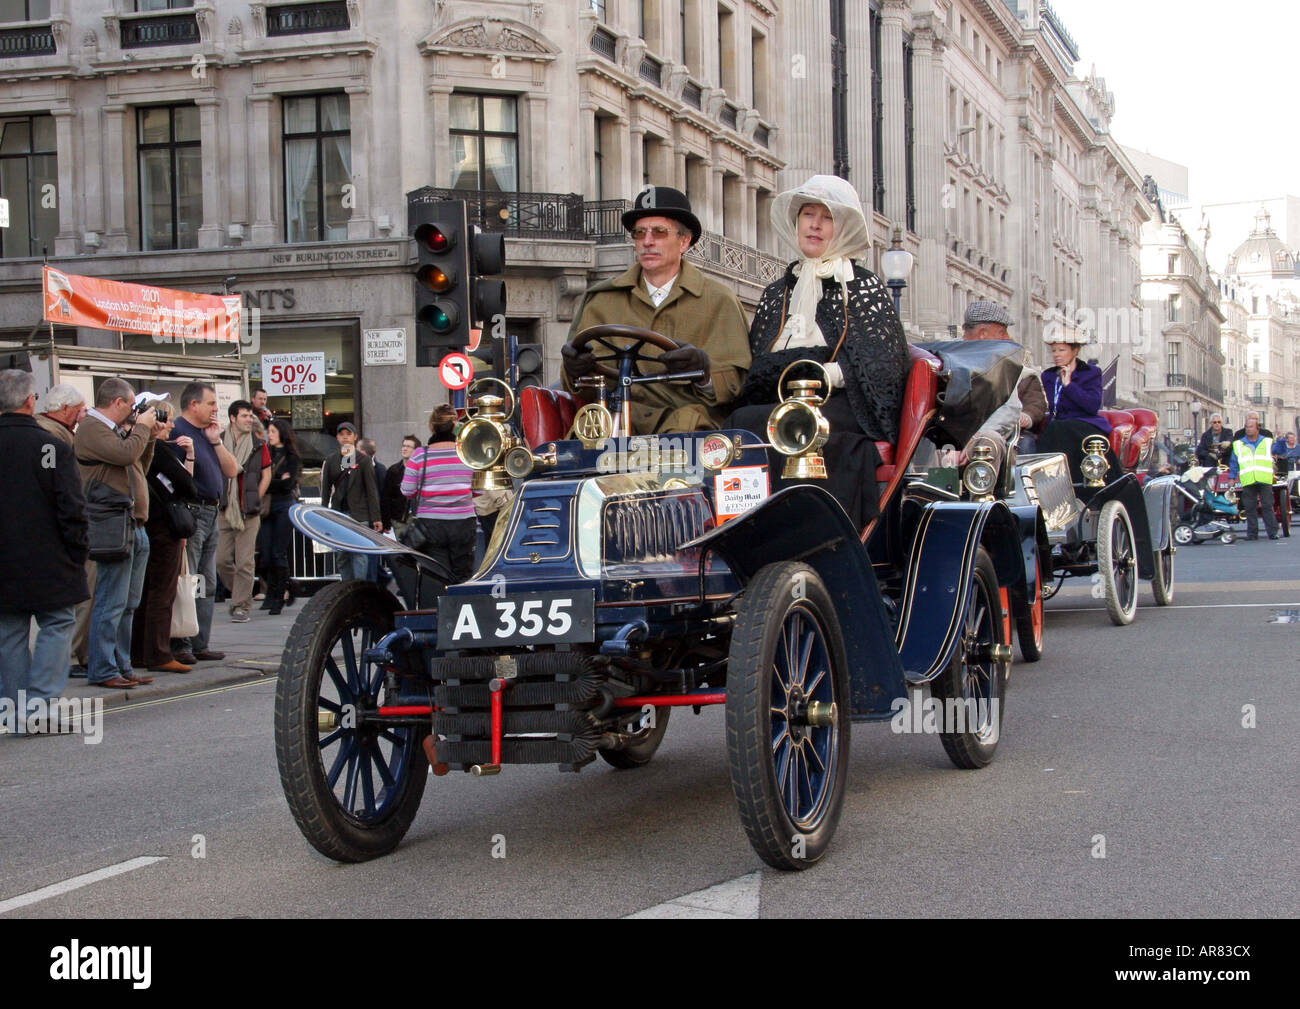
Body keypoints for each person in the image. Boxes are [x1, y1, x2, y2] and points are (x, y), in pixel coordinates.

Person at [726, 175, 910, 528]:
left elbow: (883, 364)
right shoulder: (776, 292)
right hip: (782, 397)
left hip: (843, 401)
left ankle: (820, 532)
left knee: (805, 427)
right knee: (740, 426)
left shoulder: (863, 286)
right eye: (808, 214)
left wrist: (828, 372)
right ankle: (746, 529)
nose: (814, 224)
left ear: (840, 228)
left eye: (826, 217)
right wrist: (786, 371)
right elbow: (757, 363)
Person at [561, 185, 751, 433]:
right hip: (612, 418)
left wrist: (703, 374)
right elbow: (575, 383)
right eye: (640, 233)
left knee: (688, 430)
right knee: (576, 446)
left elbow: (738, 384)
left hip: (685, 422)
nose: (647, 242)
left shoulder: (719, 300)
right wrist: (574, 369)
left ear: (684, 241)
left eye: (659, 232)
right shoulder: (601, 299)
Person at [0, 370, 89, 731]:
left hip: (4, 559)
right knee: (56, 623)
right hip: (49, 555)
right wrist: (77, 550)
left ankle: (13, 710)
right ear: (29, 400)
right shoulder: (51, 447)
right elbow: (71, 507)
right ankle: (39, 707)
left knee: (9, 632)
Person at [75, 378, 157, 688]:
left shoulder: (114, 431)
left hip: (133, 524)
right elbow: (124, 455)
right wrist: (143, 429)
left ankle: (122, 664)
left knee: (128, 603)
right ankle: (103, 668)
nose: (136, 411)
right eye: (132, 404)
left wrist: (147, 438)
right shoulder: (92, 428)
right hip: (113, 526)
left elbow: (136, 464)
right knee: (111, 602)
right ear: (118, 403)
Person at [169, 382, 238, 664]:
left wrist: (216, 441)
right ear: (193, 404)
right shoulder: (177, 432)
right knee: (189, 578)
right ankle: (181, 642)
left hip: (212, 511)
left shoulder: (206, 435)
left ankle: (200, 642)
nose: (215, 409)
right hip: (192, 511)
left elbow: (232, 470)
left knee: (206, 582)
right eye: (210, 403)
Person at [131, 410, 198, 673]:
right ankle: (158, 654)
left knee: (144, 591)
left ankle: (138, 652)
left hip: (146, 523)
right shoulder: (157, 448)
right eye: (168, 419)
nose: (172, 425)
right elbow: (188, 485)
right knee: (162, 591)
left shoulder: (136, 446)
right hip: (163, 526)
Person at [397, 406, 477, 607]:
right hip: (463, 523)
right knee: (463, 575)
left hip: (431, 525)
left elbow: (407, 491)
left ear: (431, 427)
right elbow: (479, 491)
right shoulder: (468, 454)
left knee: (437, 575)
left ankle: (439, 617)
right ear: (454, 426)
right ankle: (463, 615)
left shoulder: (419, 456)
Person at [960, 301, 1047, 454]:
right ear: (982, 333)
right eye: (1002, 331)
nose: (1007, 337)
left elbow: (1009, 411)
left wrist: (974, 438)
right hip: (949, 438)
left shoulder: (1005, 363)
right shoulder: (946, 358)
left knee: (989, 440)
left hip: (987, 436)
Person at [216, 400, 272, 622]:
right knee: (222, 560)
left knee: (245, 562)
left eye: (251, 416)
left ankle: (241, 605)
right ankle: (241, 591)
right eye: (245, 416)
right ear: (232, 418)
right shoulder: (218, 442)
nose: (250, 420)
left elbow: (267, 474)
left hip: (249, 511)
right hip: (225, 508)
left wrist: (255, 497)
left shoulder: (259, 444)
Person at [1037, 333, 1119, 483]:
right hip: (1059, 424)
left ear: (1074, 351)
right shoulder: (1048, 376)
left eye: (1061, 350)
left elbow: (1092, 406)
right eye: (1054, 351)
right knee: (1051, 431)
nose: (1056, 355)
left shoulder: (1091, 372)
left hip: (1085, 422)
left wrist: (1069, 385)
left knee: (1060, 429)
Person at [319, 421, 382, 580]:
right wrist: (324, 512)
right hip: (339, 512)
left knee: (359, 553)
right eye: (342, 434)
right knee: (342, 554)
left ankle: (358, 588)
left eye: (348, 434)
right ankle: (346, 588)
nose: (345, 437)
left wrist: (376, 517)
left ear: (355, 437)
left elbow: (371, 490)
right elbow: (326, 489)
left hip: (360, 514)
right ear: (337, 438)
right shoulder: (331, 460)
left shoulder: (364, 460)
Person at [260, 418, 301, 615]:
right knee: (266, 553)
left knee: (278, 552)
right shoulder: (264, 452)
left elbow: (288, 484)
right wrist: (275, 480)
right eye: (269, 431)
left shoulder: (291, 456)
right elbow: (260, 479)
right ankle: (284, 586)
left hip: (284, 505)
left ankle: (278, 595)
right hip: (267, 506)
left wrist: (269, 482)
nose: (270, 434)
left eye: (274, 431)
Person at [1230, 412, 1279, 541]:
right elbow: (1234, 461)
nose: (1248, 429)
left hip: (1264, 478)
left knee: (1267, 506)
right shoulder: (1238, 444)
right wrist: (1231, 477)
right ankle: (1252, 534)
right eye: (1246, 427)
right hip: (1248, 479)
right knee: (1250, 508)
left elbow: (1278, 452)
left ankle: (1273, 533)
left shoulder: (1267, 441)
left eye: (1250, 427)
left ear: (1257, 428)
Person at [382, 434, 420, 533]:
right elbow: (386, 497)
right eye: (403, 446)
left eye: (408, 446)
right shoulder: (393, 470)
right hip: (399, 520)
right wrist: (386, 522)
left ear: (416, 450)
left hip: (418, 519)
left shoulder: (422, 470)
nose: (404, 449)